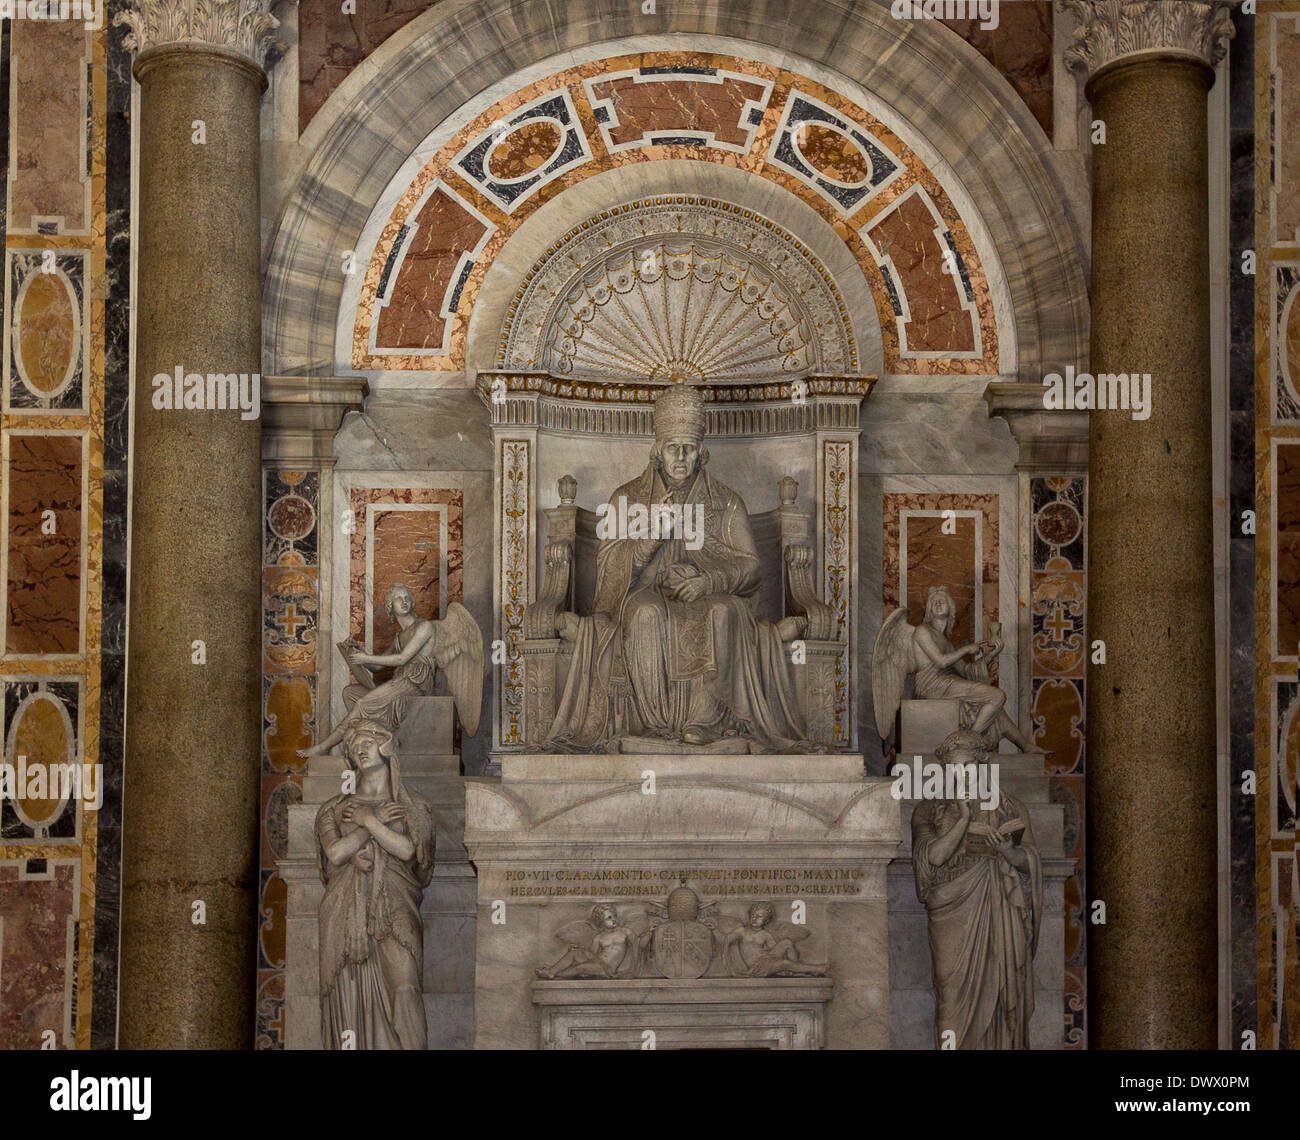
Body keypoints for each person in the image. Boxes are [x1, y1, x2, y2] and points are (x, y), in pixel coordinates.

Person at [547, 384, 806, 751]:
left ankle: (705, 723)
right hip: (647, 598)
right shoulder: (627, 498)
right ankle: (654, 726)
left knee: (723, 611)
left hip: (709, 596)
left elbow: (751, 567)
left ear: (703, 452)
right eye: (672, 447)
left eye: (689, 447)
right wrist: (650, 539)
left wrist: (708, 581)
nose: (681, 456)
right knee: (643, 613)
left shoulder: (727, 503)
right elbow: (608, 572)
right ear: (657, 452)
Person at [911, 729, 1042, 1049]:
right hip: (951, 911)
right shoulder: (929, 810)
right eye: (953, 768)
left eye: (967, 766)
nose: (960, 774)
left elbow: (1030, 860)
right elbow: (935, 856)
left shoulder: (1011, 808)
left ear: (983, 765)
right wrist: (965, 819)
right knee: (950, 996)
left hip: (998, 904)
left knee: (1000, 991)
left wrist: (1009, 853)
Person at [315, 719, 434, 1049]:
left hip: (395, 909)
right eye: (353, 747)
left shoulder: (414, 808)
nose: (359, 749)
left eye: (366, 742)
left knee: (406, 988)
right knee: (347, 994)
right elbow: (337, 853)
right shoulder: (332, 809)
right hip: (343, 913)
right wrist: (374, 825)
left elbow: (409, 850)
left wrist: (367, 821)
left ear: (386, 746)